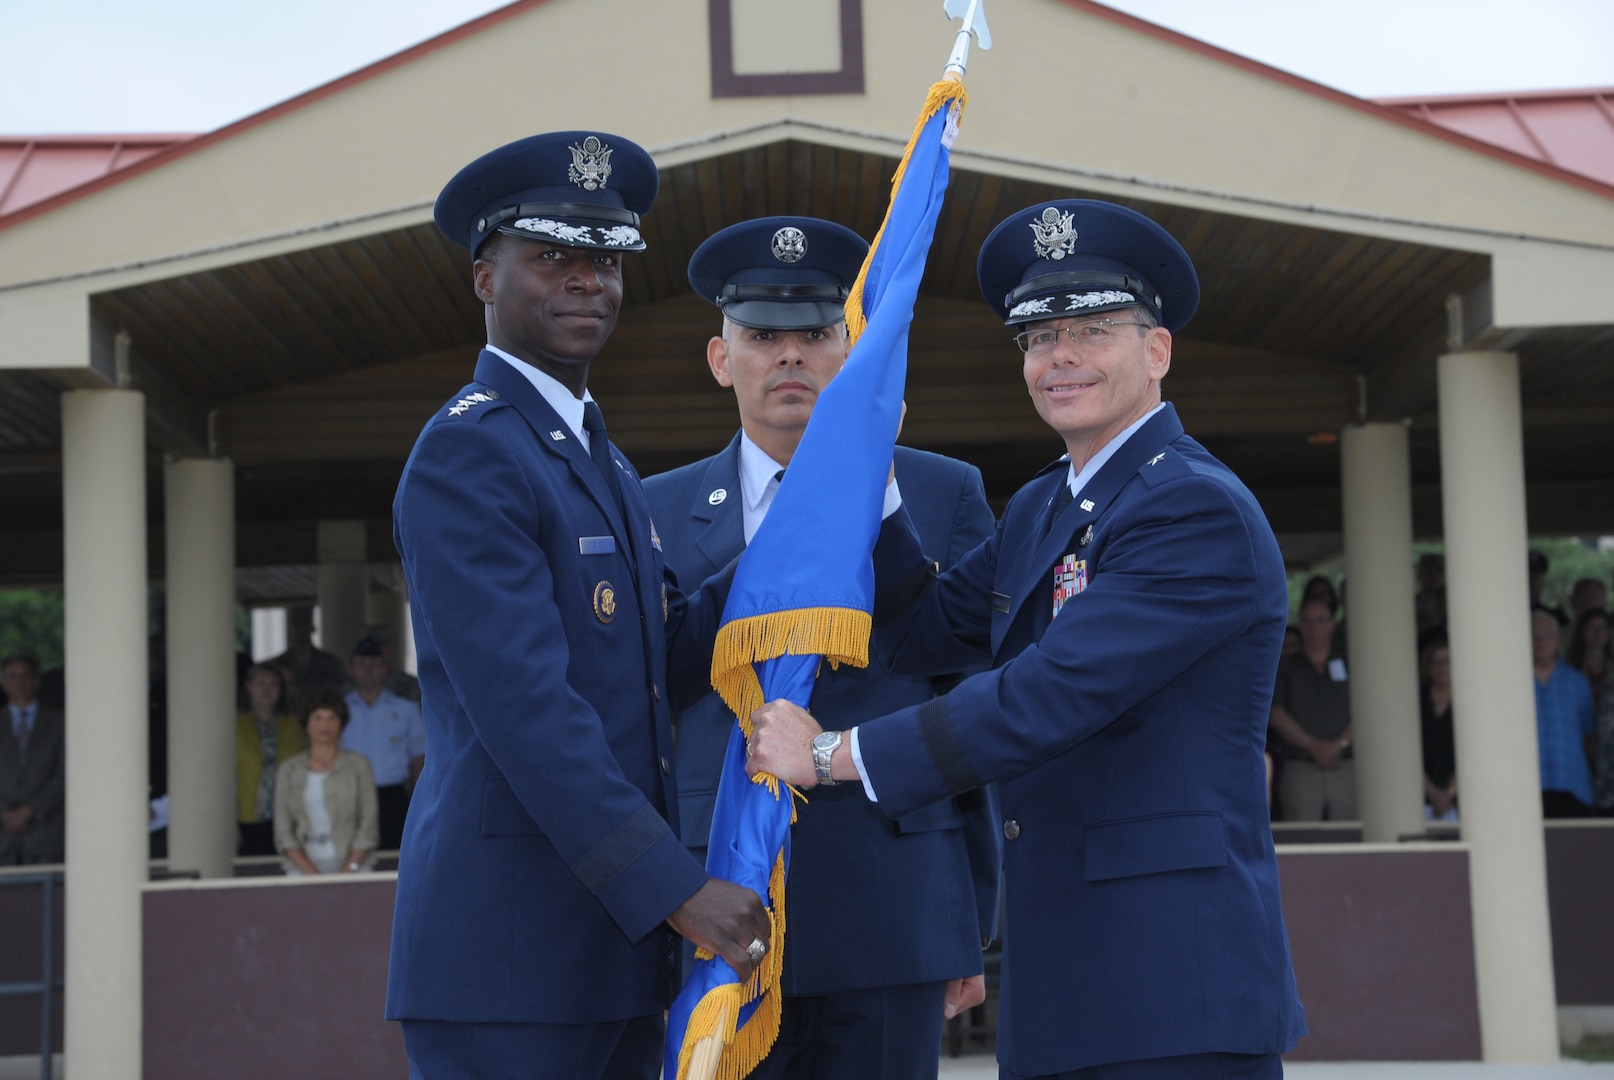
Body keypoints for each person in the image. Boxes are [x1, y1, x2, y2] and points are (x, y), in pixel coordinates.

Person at [747, 199, 1306, 1079]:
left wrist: (830, 756)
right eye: (1039, 339)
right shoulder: (1048, 504)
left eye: (1091, 330)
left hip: (1174, 987)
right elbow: (920, 630)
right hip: (1065, 981)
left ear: (1156, 352)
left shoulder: (1193, 507)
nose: (1061, 358)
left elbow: (1050, 693)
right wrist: (873, 470)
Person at [385, 131, 770, 1079]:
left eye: (604, 260)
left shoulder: (598, 455)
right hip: (511, 960)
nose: (585, 281)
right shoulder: (471, 453)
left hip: (607, 957)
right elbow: (527, 712)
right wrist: (679, 889)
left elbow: (659, 663)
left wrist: (786, 547)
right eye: (552, 256)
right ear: (485, 277)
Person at [642, 216, 1000, 1079]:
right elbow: (639, 711)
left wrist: (969, 916)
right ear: (723, 360)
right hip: (715, 903)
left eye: (817, 334)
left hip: (893, 902)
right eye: (764, 336)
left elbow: (981, 707)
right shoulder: (651, 505)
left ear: (854, 352)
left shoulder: (942, 493)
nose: (791, 357)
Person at [274, 688, 378, 875]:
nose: (325, 725)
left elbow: (368, 822)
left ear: (341, 723)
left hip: (353, 864)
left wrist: (350, 868)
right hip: (302, 867)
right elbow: (283, 829)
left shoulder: (359, 765)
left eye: (332, 717)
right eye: (318, 717)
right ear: (306, 724)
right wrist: (311, 873)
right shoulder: (289, 770)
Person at [1268, 598, 1356, 821]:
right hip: (1300, 767)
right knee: (1302, 839)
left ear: (1332, 625)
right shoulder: (1285, 667)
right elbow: (1275, 714)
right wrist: (1314, 746)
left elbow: (1368, 710)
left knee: (1349, 839)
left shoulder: (1352, 662)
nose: (1313, 628)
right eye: (1307, 622)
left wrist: (1340, 743)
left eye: (1320, 621)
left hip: (1344, 766)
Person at [340, 637, 425, 851]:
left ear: (385, 668)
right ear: (351, 669)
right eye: (361, 663)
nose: (368, 670)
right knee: (350, 854)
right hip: (349, 795)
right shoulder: (339, 711)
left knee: (393, 855)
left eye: (374, 663)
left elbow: (418, 760)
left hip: (392, 797)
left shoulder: (406, 710)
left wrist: (420, 803)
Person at [1531, 606, 1597, 818]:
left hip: (1571, 783)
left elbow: (1589, 735)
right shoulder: (1510, 681)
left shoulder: (1578, 682)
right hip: (1525, 786)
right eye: (1534, 635)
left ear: (1558, 639)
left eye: (1547, 634)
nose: (1540, 641)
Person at [237, 662, 308, 857]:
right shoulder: (234, 724)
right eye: (261, 683)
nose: (266, 690)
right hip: (248, 821)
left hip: (291, 819)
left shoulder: (295, 725)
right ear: (249, 687)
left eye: (273, 684)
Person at [0, 656, 65, 864]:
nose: (19, 682)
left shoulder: (59, 721)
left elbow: (65, 773)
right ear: (4, 683)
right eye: (12, 677)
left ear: (37, 681)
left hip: (46, 835)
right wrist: (6, 814)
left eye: (25, 676)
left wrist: (30, 810)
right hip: (3, 837)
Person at [268, 606, 347, 715]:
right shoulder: (276, 665)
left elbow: (340, 695)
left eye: (305, 624)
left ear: (312, 628)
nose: (301, 629)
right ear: (290, 629)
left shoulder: (331, 664)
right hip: (287, 722)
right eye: (297, 625)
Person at [1419, 637, 1458, 821]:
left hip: (1458, 797)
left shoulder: (1467, 700)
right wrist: (1434, 794)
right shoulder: (1418, 700)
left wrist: (1448, 795)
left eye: (1448, 661)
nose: (1442, 667)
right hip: (1420, 793)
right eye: (1436, 661)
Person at [1566, 608, 1612, 714]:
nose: (1598, 633)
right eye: (1593, 628)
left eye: (1603, 628)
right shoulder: (1570, 669)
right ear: (1582, 631)